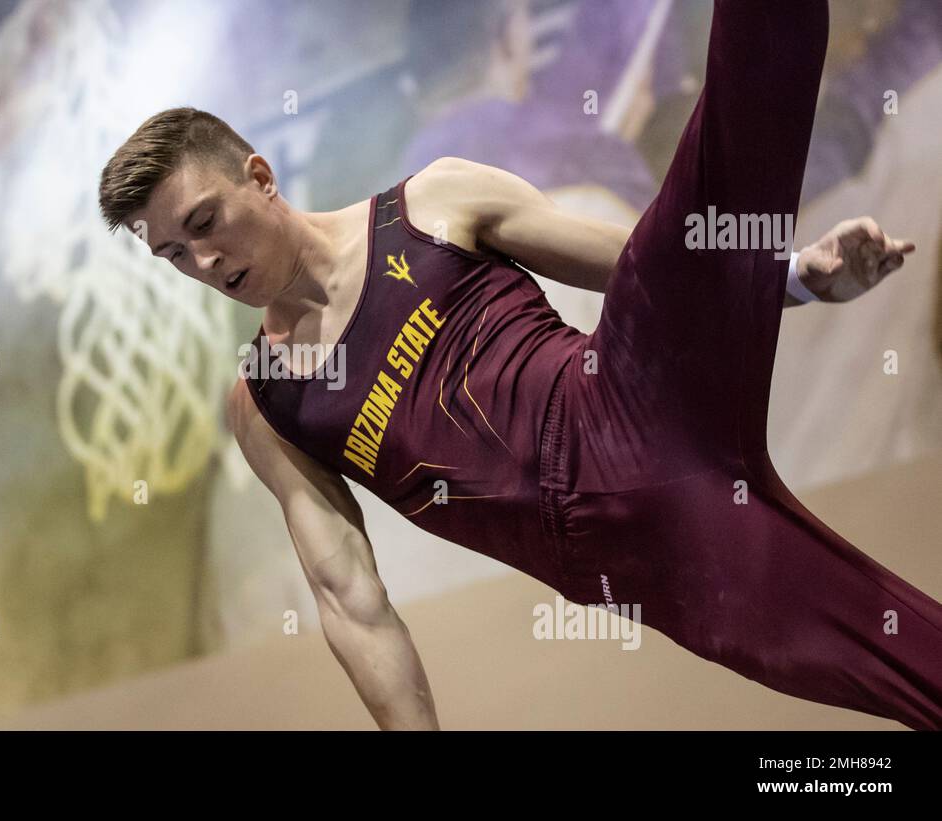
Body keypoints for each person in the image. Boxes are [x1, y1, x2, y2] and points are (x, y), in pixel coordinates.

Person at [97, 0, 941, 730]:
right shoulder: (269, 406)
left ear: (260, 175)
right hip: (648, 555)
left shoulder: (433, 202)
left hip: (633, 393)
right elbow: (349, 597)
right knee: (905, 658)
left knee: (754, 77)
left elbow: (634, 265)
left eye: (204, 222)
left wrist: (793, 277)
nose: (203, 263)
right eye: (173, 253)